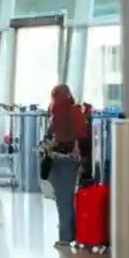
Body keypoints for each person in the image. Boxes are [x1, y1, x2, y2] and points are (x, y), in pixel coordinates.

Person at [43, 83, 87, 248]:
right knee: (68, 199)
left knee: (63, 200)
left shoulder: (57, 113)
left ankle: (65, 237)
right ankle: (72, 232)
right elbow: (81, 134)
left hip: (60, 159)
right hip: (73, 161)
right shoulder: (75, 111)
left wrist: (49, 145)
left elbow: (55, 137)